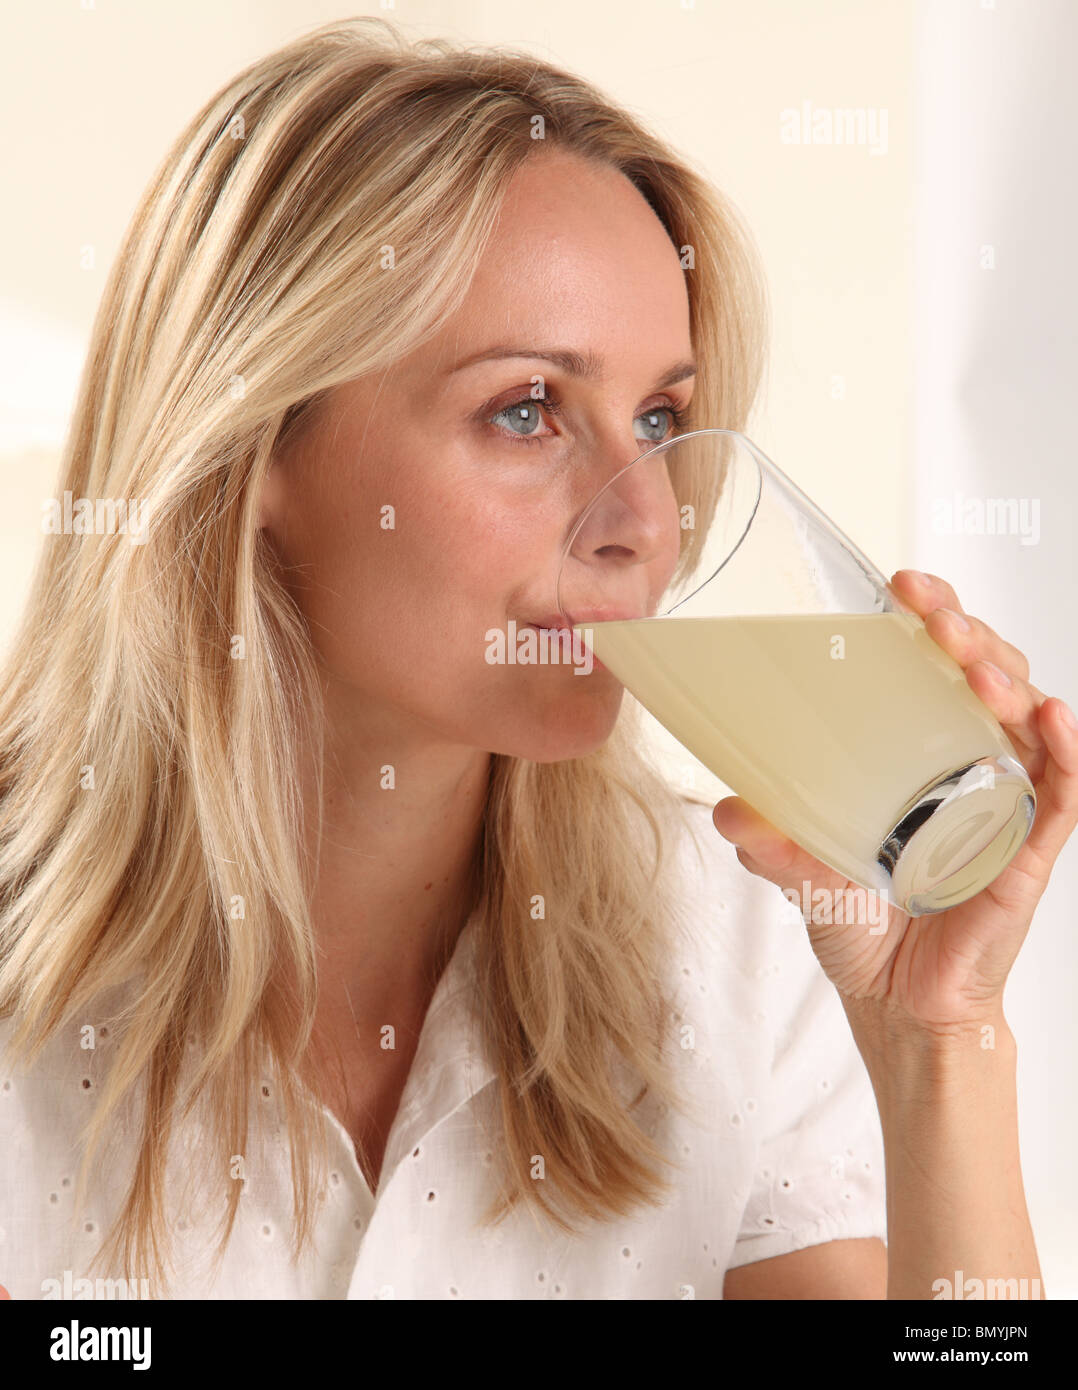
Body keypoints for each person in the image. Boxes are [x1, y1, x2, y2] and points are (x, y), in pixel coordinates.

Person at [1, 17, 1073, 1301]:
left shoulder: (732, 948)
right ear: (255, 449)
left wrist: (935, 1043)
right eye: (524, 409)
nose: (644, 521)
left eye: (661, 419)